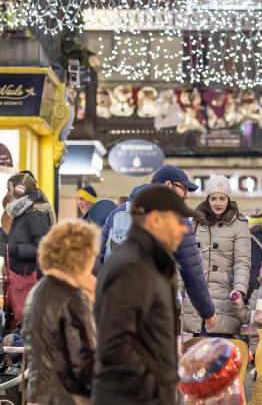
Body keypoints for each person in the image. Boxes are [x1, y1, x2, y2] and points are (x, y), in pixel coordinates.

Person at [92, 185, 200, 403]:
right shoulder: (131, 268)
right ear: (155, 221)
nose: (183, 229)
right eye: (177, 220)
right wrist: (155, 386)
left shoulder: (155, 264)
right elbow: (114, 347)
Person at [100, 167, 217, 332]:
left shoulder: (119, 212)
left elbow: (98, 259)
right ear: (168, 185)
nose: (186, 195)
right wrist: (207, 311)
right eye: (183, 188)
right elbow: (192, 271)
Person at [21, 220, 99, 405]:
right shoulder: (71, 297)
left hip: (39, 395)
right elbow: (83, 362)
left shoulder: (39, 291)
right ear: (81, 255)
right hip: (68, 398)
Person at [183, 174, 250, 336]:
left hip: (224, 295)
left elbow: (242, 262)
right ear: (208, 199)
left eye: (222, 198)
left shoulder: (239, 225)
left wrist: (239, 290)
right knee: (198, 349)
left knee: (219, 345)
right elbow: (186, 260)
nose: (218, 203)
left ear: (228, 199)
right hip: (196, 294)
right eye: (213, 198)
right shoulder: (196, 222)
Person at [6, 172, 54, 326]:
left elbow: (43, 248)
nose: (7, 194)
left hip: (31, 282)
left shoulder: (34, 215)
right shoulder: (23, 214)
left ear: (19, 190)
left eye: (9, 189)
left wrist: (12, 250)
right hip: (24, 281)